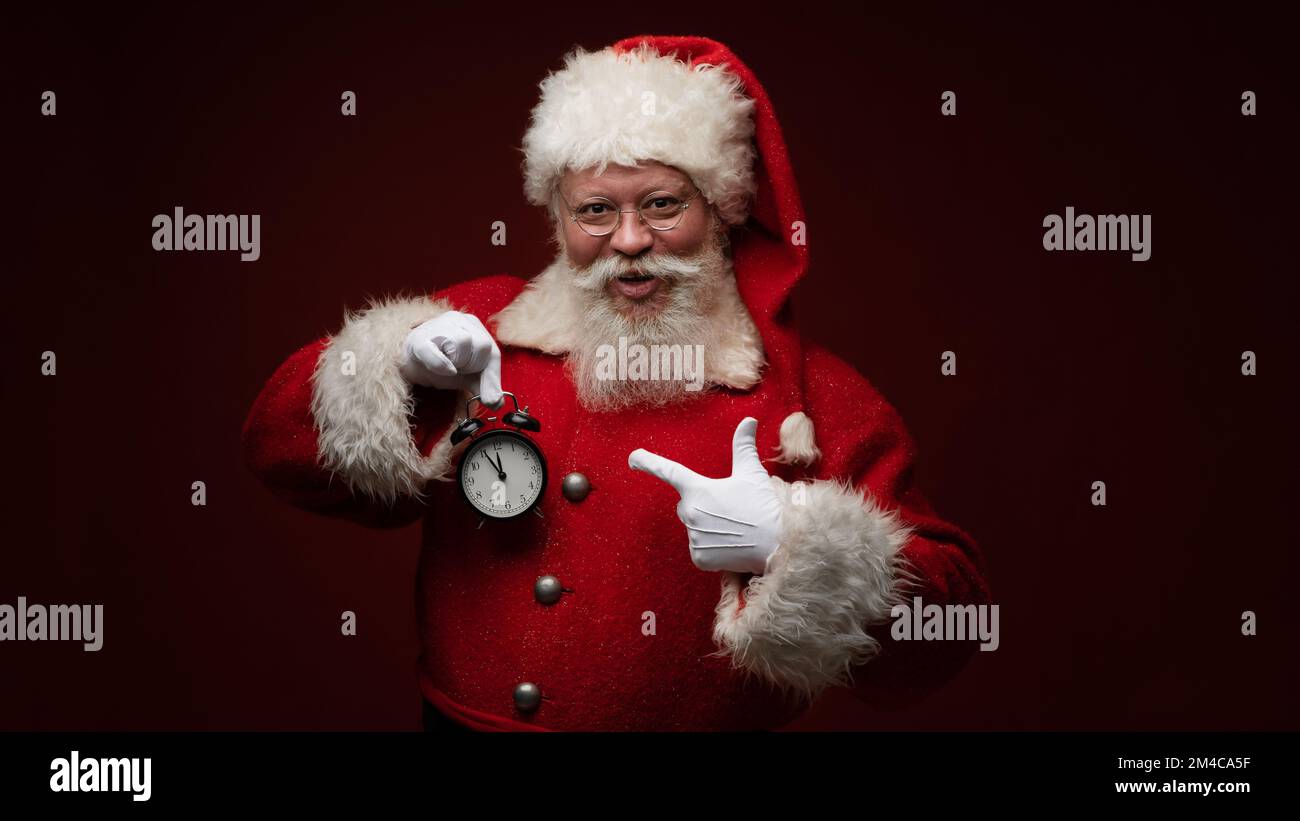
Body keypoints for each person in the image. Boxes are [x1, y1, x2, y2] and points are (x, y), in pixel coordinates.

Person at [241, 35, 991, 732]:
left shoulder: (814, 395)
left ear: (722, 211)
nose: (629, 241)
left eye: (662, 204)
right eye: (596, 211)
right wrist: (390, 363)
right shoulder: (483, 329)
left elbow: (953, 628)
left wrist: (797, 545)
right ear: (559, 220)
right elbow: (274, 449)